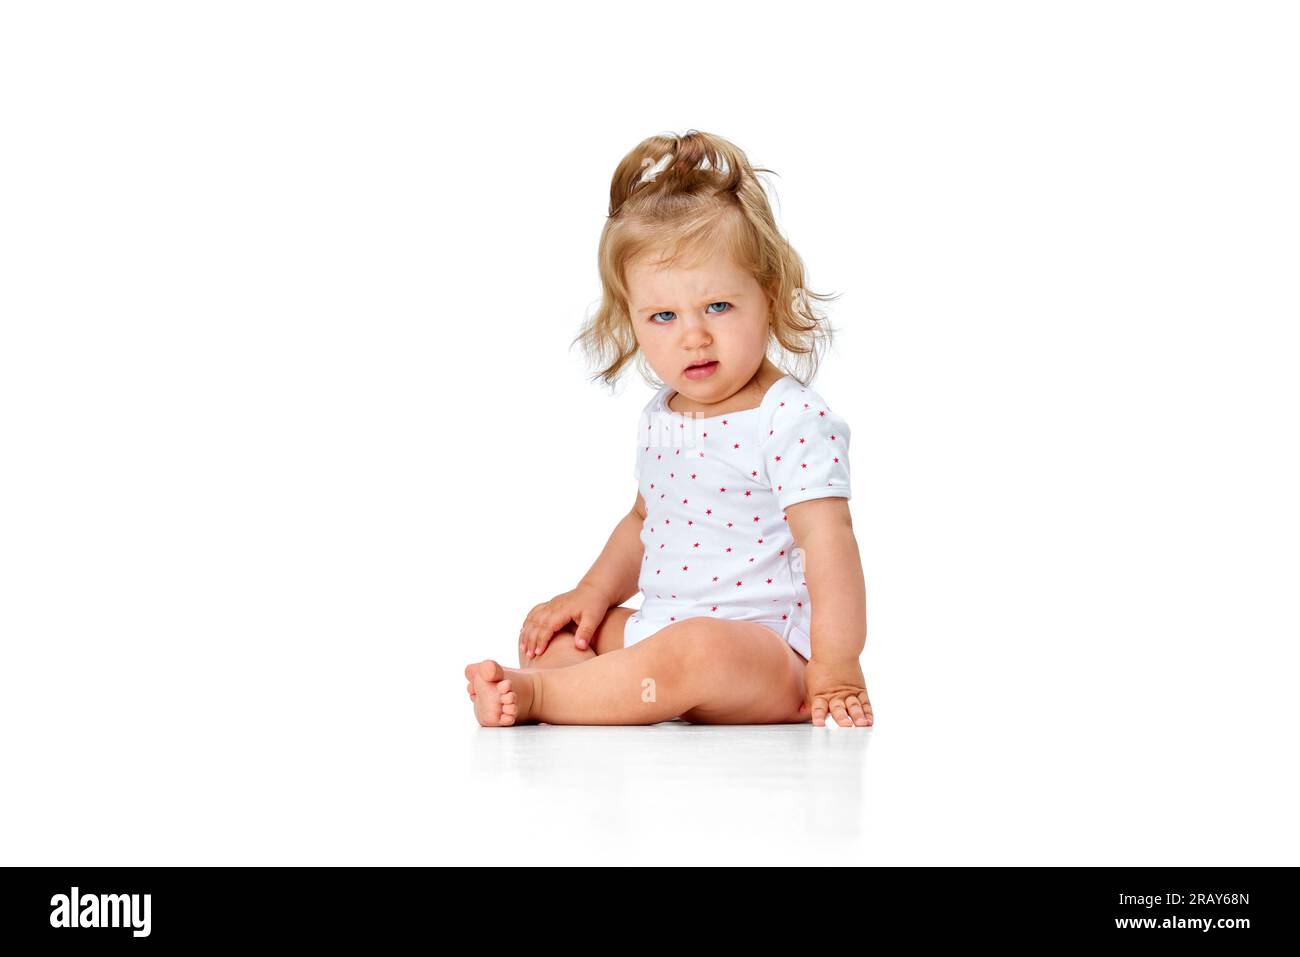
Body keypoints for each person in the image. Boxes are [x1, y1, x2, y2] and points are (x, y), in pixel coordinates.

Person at [465, 130, 872, 728]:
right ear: (630, 319)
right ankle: (545, 680)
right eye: (663, 316)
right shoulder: (664, 414)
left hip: (762, 654)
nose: (693, 336)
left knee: (697, 650)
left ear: (768, 295)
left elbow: (830, 544)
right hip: (666, 629)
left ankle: (542, 699)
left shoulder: (790, 418)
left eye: (718, 307)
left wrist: (835, 667)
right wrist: (592, 594)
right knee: (562, 635)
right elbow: (642, 520)